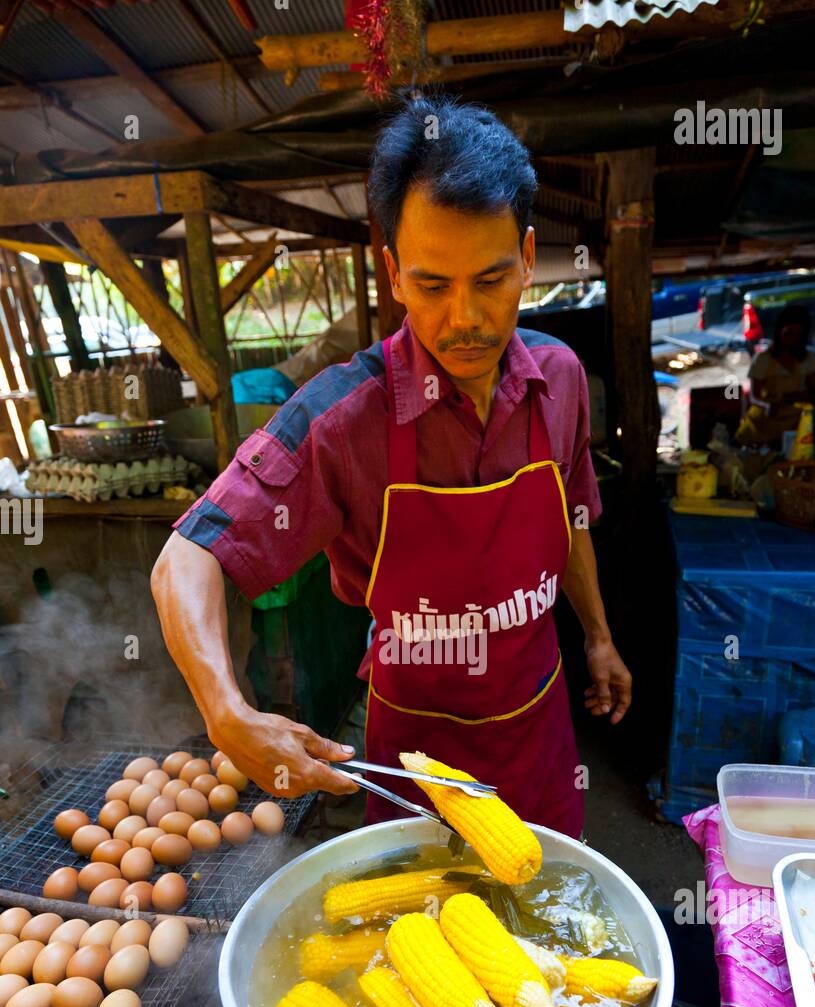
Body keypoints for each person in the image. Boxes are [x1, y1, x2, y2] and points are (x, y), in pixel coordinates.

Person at [151, 95, 631, 836]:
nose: (465, 317)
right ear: (395, 272)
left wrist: (597, 635)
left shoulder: (561, 381)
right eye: (434, 284)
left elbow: (571, 518)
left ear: (529, 261)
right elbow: (186, 557)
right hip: (413, 762)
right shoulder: (345, 419)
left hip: (538, 730)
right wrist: (226, 710)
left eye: (491, 279)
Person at [736, 304, 815, 448]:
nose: (792, 339)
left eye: (797, 335)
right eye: (788, 334)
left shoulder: (808, 358)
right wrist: (768, 405)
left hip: (796, 417)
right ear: (779, 332)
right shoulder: (763, 358)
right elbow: (753, 396)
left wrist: (797, 397)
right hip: (766, 415)